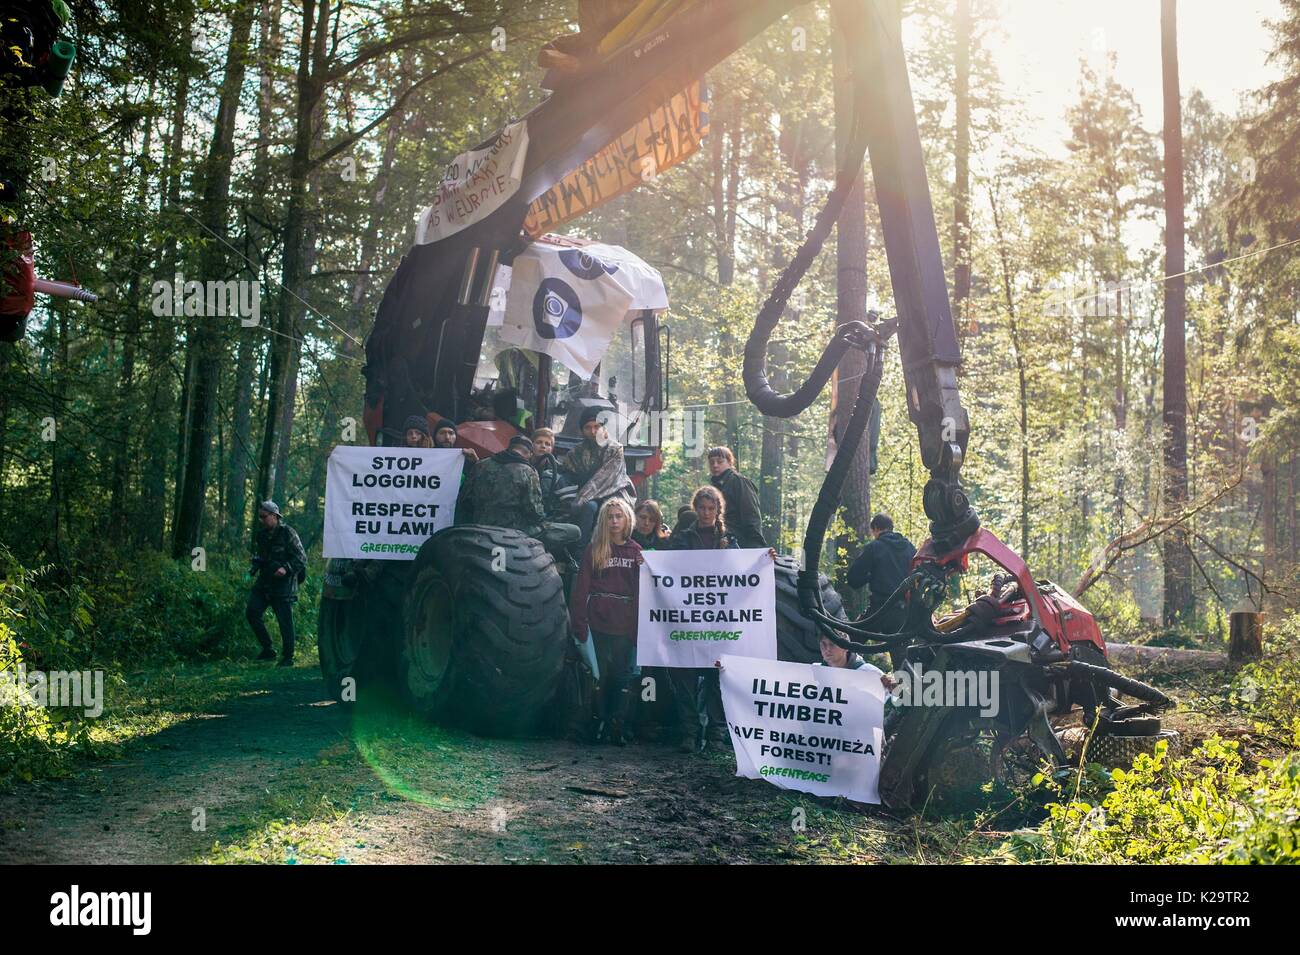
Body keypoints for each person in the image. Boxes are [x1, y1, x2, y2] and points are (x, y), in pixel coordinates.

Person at [666, 486, 740, 752]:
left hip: (719, 621)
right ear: (695, 509)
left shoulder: (730, 539)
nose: (707, 513)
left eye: (711, 508)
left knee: (716, 678)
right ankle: (689, 732)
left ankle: (716, 735)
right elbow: (669, 566)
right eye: (702, 508)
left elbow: (742, 571)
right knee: (685, 676)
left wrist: (765, 560)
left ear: (718, 510)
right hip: (688, 618)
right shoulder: (683, 537)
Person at [569, 498, 642, 746]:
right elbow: (581, 589)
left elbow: (643, 591)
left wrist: (637, 627)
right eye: (610, 516)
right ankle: (593, 724)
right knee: (598, 676)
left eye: (618, 516)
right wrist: (579, 622)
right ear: (603, 520)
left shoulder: (636, 552)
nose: (614, 521)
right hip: (598, 621)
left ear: (627, 519)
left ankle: (616, 725)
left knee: (623, 677)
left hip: (625, 623)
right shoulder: (594, 549)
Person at [246, 500, 307, 667]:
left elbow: (301, 558)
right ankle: (268, 649)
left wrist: (286, 568)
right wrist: (255, 565)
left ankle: (288, 657)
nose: (262, 520)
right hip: (264, 582)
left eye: (264, 517)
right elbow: (262, 556)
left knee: (285, 621)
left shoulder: (288, 533)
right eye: (260, 517)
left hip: (283, 585)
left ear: (274, 516)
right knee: (252, 612)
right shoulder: (261, 535)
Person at [564, 407, 635, 543]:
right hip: (586, 495)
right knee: (589, 508)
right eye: (588, 427)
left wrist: (579, 501)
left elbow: (603, 480)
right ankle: (580, 552)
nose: (592, 431)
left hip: (614, 492)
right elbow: (569, 474)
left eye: (597, 426)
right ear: (582, 430)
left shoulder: (615, 449)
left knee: (614, 509)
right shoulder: (575, 453)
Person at [846, 513, 917, 638]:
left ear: (876, 528)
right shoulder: (909, 547)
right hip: (902, 611)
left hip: (879, 609)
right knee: (901, 654)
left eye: (872, 531)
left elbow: (853, 579)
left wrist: (870, 576)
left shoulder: (874, 547)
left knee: (850, 642)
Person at [707, 446, 767, 549]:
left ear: (729, 462)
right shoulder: (713, 487)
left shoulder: (739, 482)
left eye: (720, 461)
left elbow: (751, 515)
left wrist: (755, 545)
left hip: (737, 540)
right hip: (715, 539)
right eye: (712, 462)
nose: (715, 465)